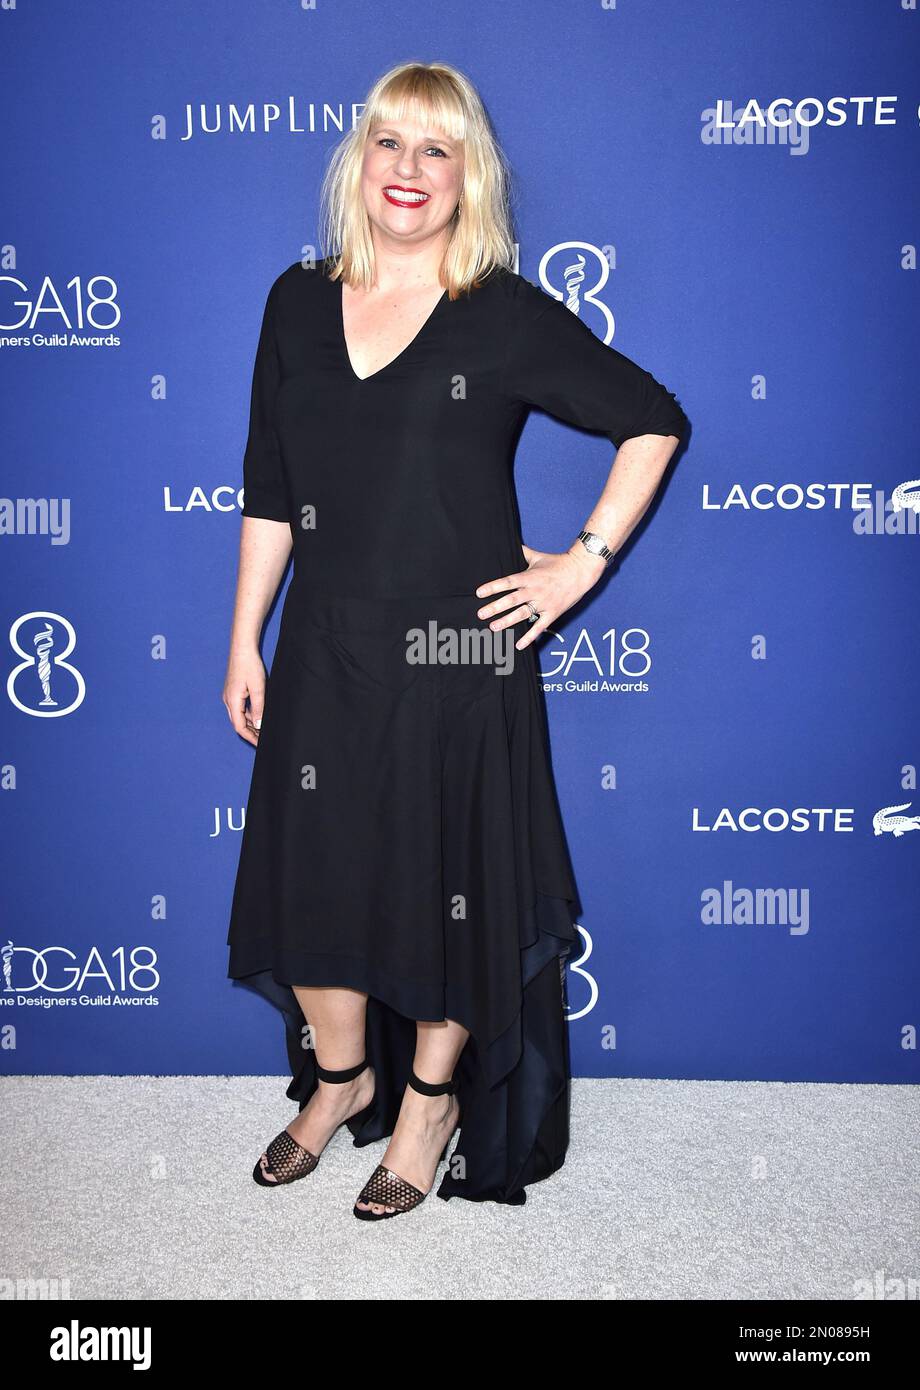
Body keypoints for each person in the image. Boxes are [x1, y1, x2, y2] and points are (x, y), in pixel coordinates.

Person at [223, 59, 688, 1220]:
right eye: (390, 142)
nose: (409, 170)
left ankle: (429, 1106)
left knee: (450, 893)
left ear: (467, 173)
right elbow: (268, 489)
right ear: (357, 160)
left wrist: (582, 560)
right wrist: (244, 640)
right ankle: (341, 1081)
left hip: (456, 656)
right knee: (312, 890)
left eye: (437, 149)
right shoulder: (293, 299)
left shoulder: (501, 311)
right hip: (325, 646)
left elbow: (651, 419)